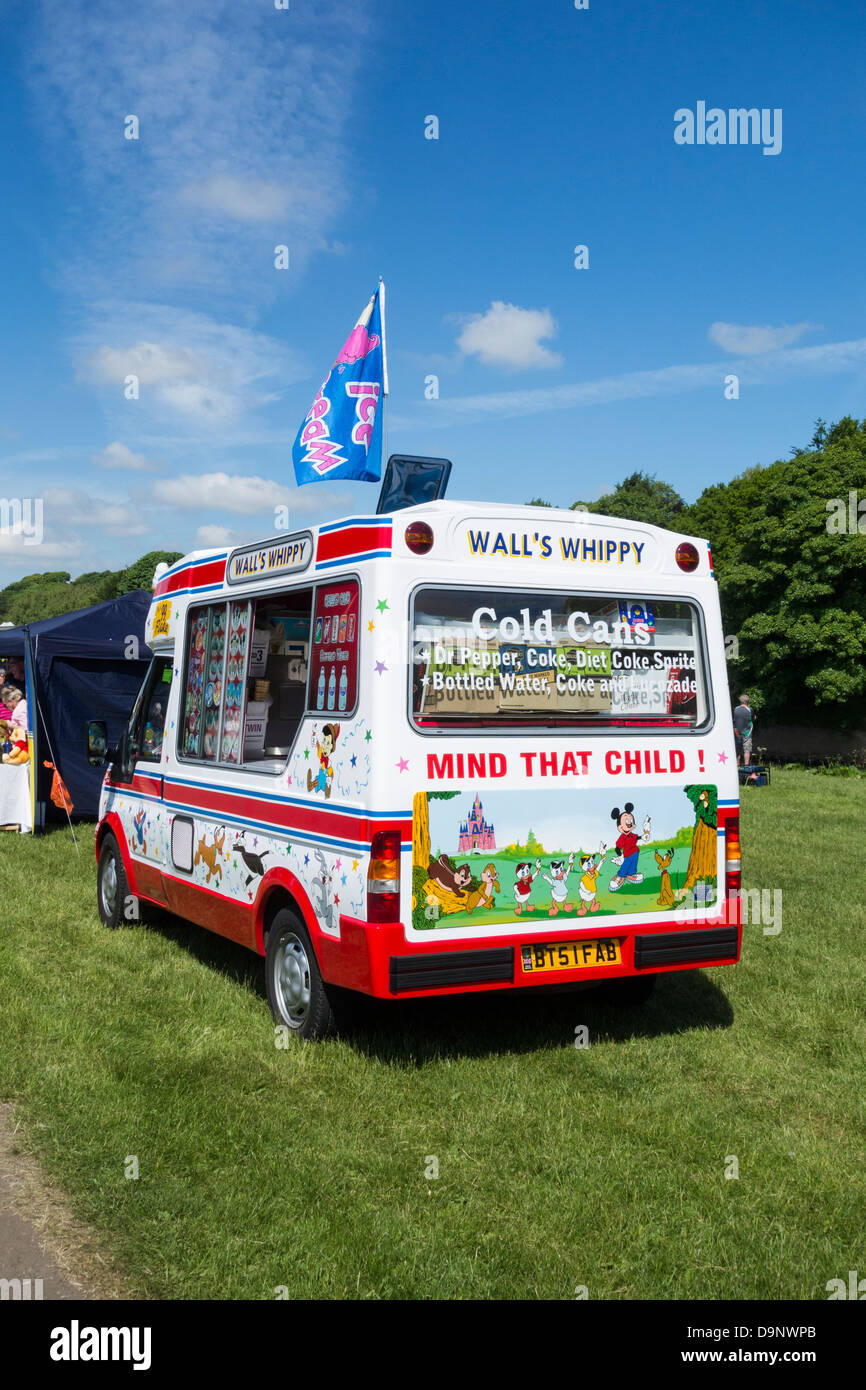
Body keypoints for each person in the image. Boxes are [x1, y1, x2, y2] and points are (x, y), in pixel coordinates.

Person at [733, 694, 754, 767]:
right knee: (747, 749)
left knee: (737, 749)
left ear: (740, 701)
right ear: (747, 701)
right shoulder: (750, 709)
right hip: (747, 733)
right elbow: (753, 718)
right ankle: (746, 765)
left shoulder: (735, 709)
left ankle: (737, 764)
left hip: (736, 733)